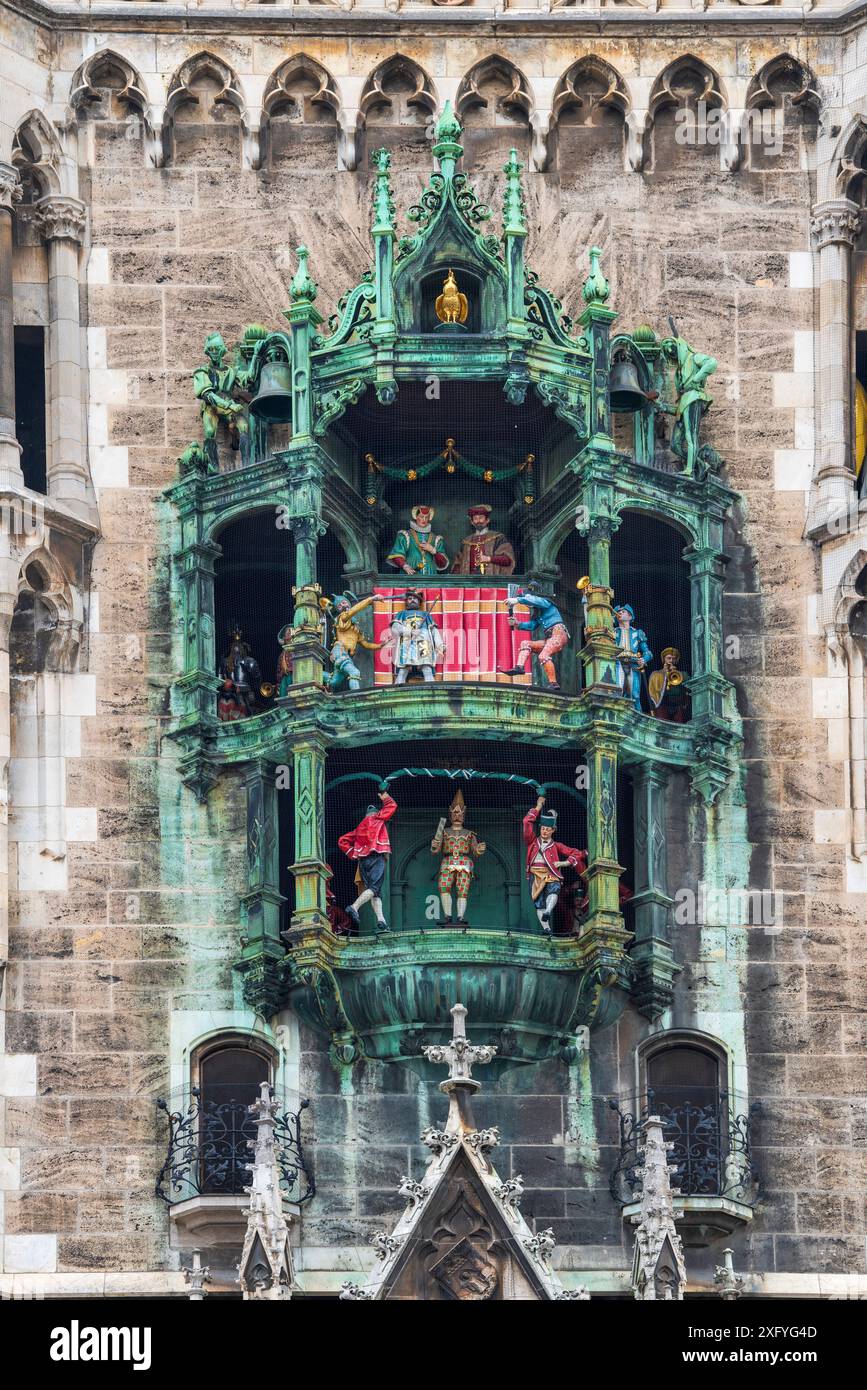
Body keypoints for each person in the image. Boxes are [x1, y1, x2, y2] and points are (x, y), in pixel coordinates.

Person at [522, 795, 587, 935]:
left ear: (553, 830)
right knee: (538, 903)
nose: (544, 831)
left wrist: (563, 863)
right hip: (535, 873)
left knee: (554, 889)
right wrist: (538, 806)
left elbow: (576, 853)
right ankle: (547, 929)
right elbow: (527, 821)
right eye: (543, 828)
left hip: (551, 872)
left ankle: (548, 911)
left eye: (548, 829)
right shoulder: (532, 841)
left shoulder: (556, 845)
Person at [337, 791, 397, 933]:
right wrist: (384, 795)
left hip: (363, 861)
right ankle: (354, 907)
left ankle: (381, 920)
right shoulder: (377, 818)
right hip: (376, 856)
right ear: (375, 813)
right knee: (374, 888)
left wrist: (353, 853)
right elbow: (392, 806)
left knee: (375, 892)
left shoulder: (359, 828)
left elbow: (342, 840)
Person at [192, 332, 249, 471]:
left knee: (243, 426)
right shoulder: (202, 371)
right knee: (210, 430)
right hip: (211, 406)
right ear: (208, 351)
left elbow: (248, 378)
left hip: (228, 404)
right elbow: (207, 394)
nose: (214, 352)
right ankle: (213, 466)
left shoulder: (231, 371)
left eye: (217, 348)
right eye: (211, 349)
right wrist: (228, 405)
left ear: (222, 350)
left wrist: (256, 359)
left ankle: (247, 462)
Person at [499, 582, 570, 690]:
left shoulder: (546, 602)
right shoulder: (539, 613)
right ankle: (519, 667)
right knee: (525, 643)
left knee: (543, 655)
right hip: (551, 638)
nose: (528, 603)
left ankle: (553, 683)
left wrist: (518, 600)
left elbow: (536, 601)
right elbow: (532, 626)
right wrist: (517, 623)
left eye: (528, 598)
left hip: (558, 633)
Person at [430, 789, 486, 925]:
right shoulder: (443, 831)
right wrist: (434, 845)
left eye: (460, 813)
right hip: (447, 861)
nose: (457, 815)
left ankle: (460, 917)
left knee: (462, 890)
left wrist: (479, 849)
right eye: (454, 813)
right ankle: (447, 917)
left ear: (464, 815)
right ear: (450, 814)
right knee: (444, 887)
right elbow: (435, 850)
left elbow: (475, 851)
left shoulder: (469, 833)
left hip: (464, 862)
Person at [324, 593, 383, 692]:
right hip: (340, 651)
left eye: (344, 602)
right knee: (354, 672)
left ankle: (312, 675)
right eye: (340, 605)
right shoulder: (342, 618)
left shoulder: (354, 629)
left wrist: (381, 645)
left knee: (334, 681)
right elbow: (354, 610)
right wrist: (372, 599)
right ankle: (356, 696)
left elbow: (365, 644)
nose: (343, 605)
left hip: (346, 655)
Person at [391, 589, 445, 685]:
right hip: (407, 642)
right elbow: (395, 628)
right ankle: (397, 691)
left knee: (427, 669)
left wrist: (440, 645)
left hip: (423, 643)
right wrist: (410, 631)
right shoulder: (401, 614)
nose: (412, 600)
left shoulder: (425, 615)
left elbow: (434, 631)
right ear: (406, 602)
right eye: (410, 598)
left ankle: (431, 692)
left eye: (415, 598)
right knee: (403, 670)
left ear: (419, 602)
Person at [451, 504, 515, 576]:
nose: (478, 521)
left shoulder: (498, 538)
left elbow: (507, 560)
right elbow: (457, 564)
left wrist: (489, 559)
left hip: (491, 581)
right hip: (469, 583)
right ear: (472, 522)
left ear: (487, 520)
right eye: (475, 518)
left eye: (481, 518)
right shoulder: (466, 542)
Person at [386, 505, 450, 577]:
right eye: (421, 516)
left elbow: (443, 563)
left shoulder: (436, 539)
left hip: (430, 573)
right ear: (416, 517)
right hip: (410, 572)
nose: (424, 520)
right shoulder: (405, 535)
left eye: (426, 517)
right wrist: (405, 566)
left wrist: (433, 551)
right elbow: (396, 555)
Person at [613, 603, 652, 713]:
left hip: (633, 664)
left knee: (634, 694)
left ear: (630, 616)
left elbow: (647, 652)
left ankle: (637, 716)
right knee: (619, 690)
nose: (620, 613)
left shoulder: (637, 633)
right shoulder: (613, 632)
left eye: (623, 612)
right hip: (618, 663)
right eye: (618, 613)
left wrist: (643, 660)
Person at [648, 646, 690, 723]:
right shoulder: (656, 674)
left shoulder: (682, 674)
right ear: (664, 659)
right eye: (669, 658)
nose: (671, 661)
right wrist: (665, 673)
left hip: (678, 705)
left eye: (674, 658)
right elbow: (653, 691)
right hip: (662, 706)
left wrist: (676, 674)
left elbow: (688, 686)